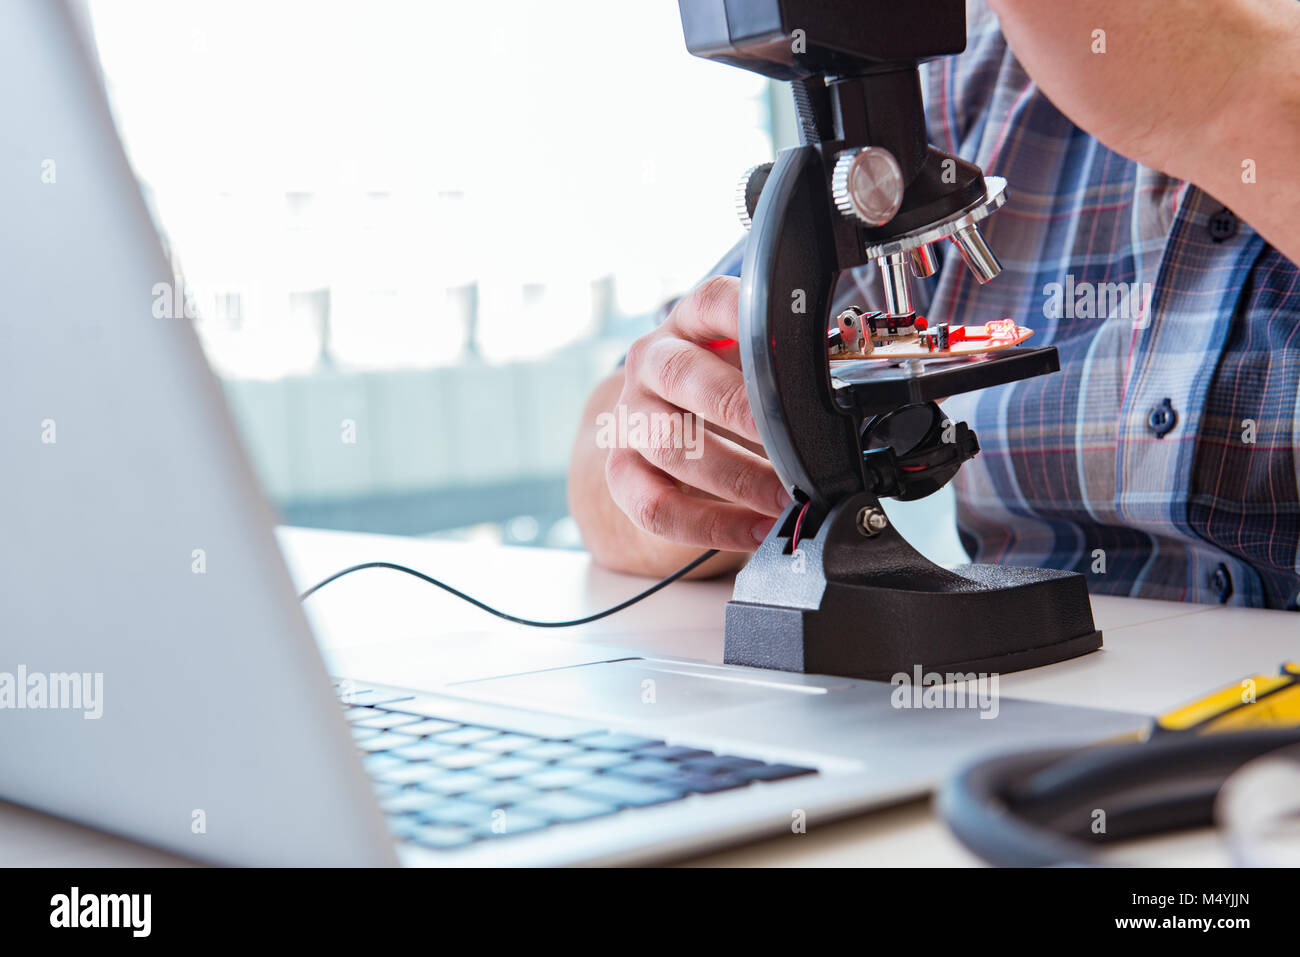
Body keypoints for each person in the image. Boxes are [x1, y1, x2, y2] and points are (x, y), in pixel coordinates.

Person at [568, 0, 1300, 609]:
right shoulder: (976, 61)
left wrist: (1222, 98)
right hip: (1018, 731)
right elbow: (613, 446)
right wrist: (699, 452)